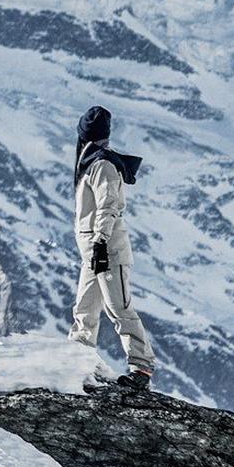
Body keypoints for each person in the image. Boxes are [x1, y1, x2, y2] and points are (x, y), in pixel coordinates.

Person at [72, 105, 158, 391]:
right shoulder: (94, 162)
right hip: (93, 254)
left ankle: (141, 367)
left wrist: (100, 242)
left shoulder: (101, 166)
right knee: (85, 309)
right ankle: (76, 360)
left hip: (106, 252)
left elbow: (109, 207)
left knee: (119, 308)